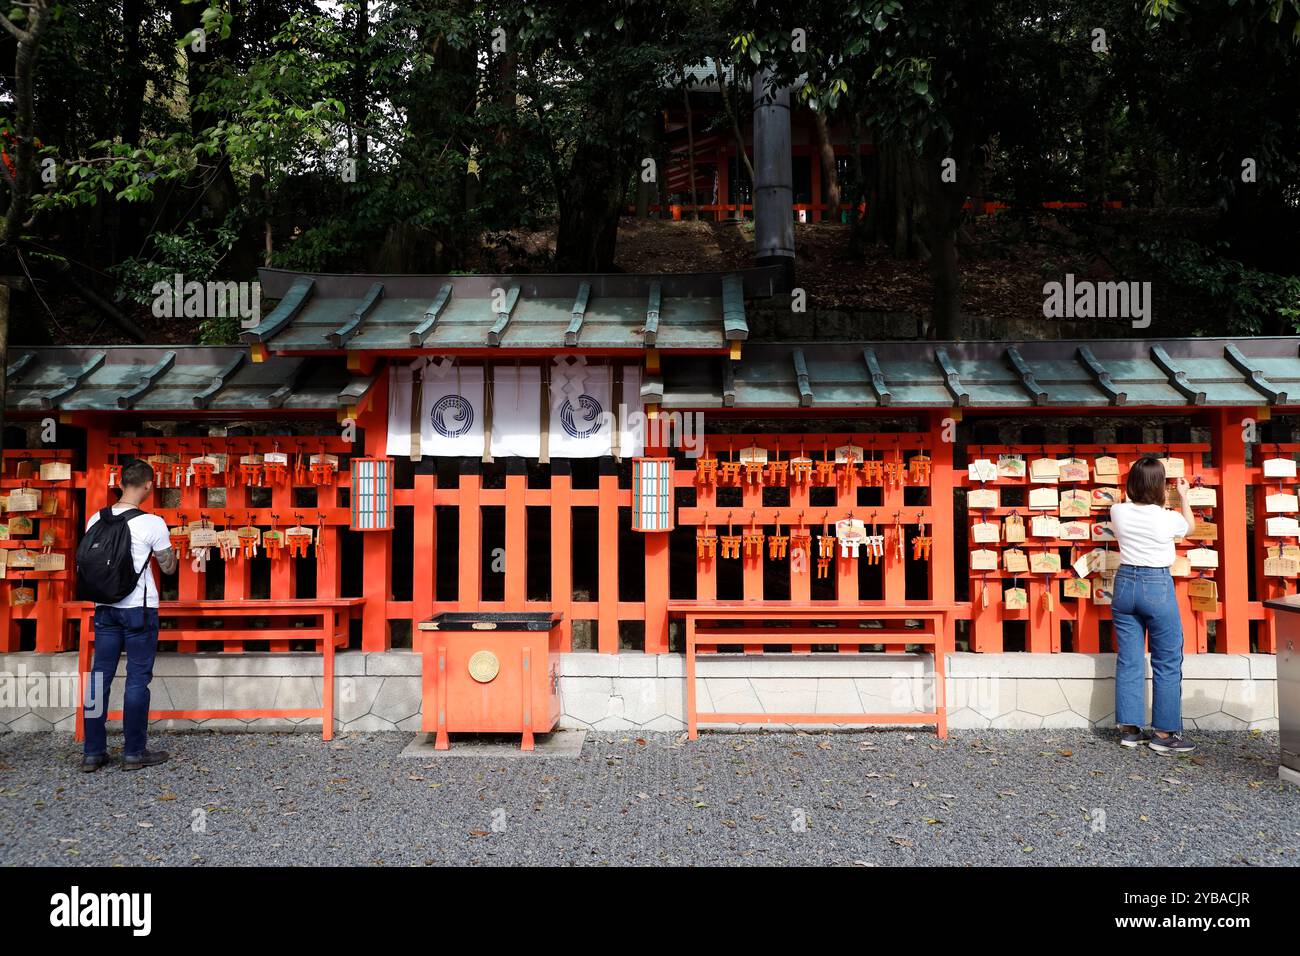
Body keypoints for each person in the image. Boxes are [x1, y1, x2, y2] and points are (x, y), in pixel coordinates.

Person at [80, 460, 177, 772]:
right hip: (138, 609)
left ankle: (93, 752)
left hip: (104, 608)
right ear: (149, 485)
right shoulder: (152, 523)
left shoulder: (97, 517)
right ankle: (134, 751)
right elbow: (168, 567)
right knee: (137, 679)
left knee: (98, 678)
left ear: (120, 483)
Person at [1108, 456, 1196, 755]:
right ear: (1160, 486)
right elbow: (1191, 528)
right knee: (1167, 659)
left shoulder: (1117, 510)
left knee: (1129, 658)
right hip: (1156, 584)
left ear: (1131, 483)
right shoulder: (1168, 517)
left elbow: (1132, 500)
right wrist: (1183, 496)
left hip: (1124, 584)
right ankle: (1164, 733)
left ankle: (1129, 730)